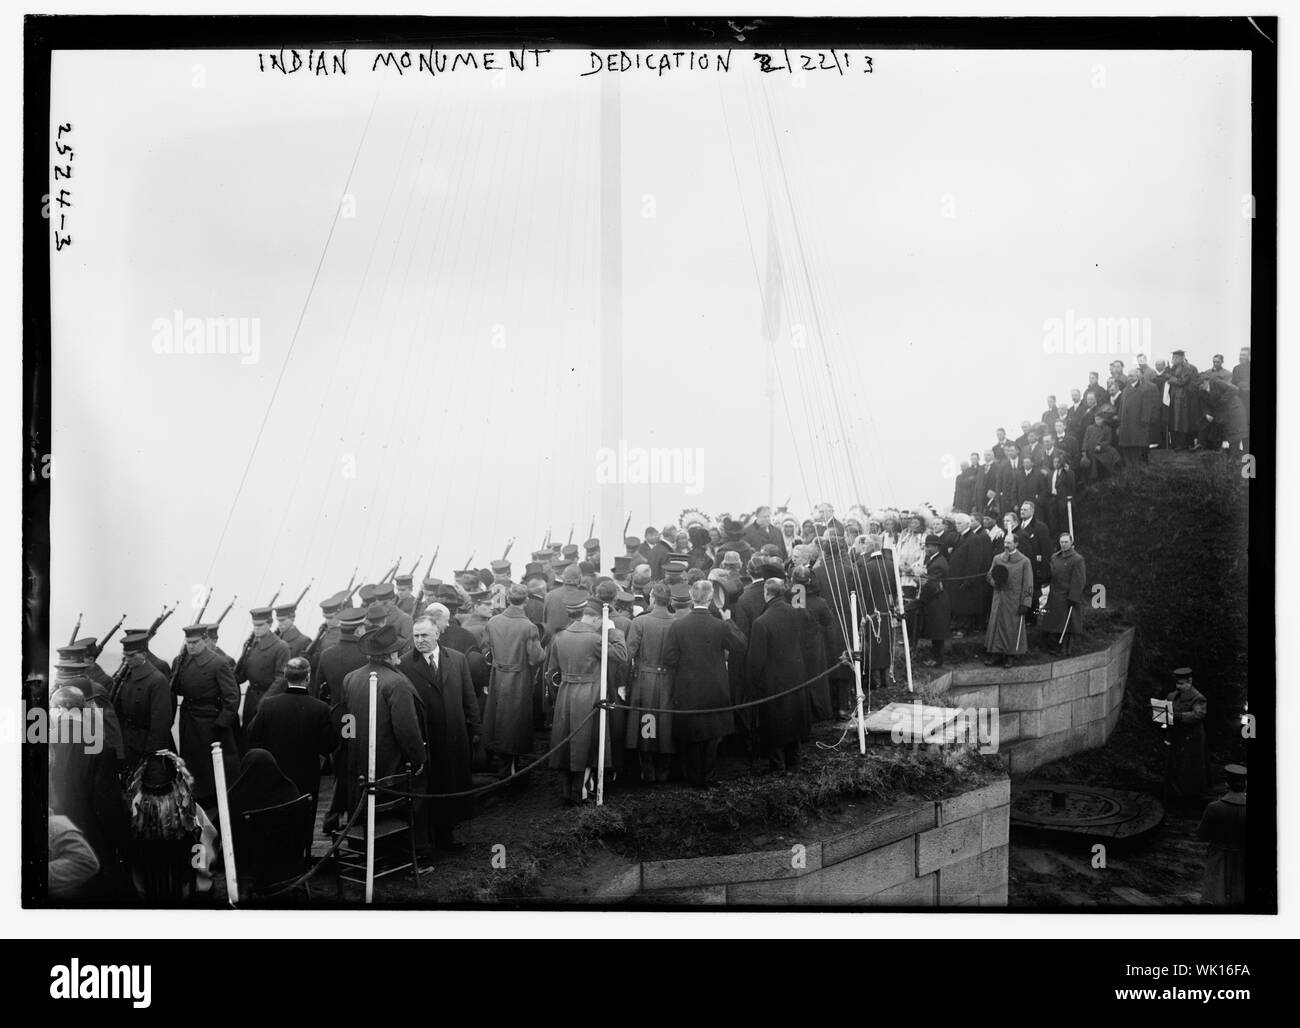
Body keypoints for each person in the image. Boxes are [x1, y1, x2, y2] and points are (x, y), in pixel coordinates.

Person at [399, 611, 481, 852]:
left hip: (454, 735)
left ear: (437, 633)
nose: (420, 640)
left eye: (424, 635)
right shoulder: (404, 663)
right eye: (416, 636)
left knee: (452, 784)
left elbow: (469, 696)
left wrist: (475, 728)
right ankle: (430, 839)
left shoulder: (456, 659)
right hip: (426, 737)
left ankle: (448, 835)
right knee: (430, 787)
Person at [334, 624, 427, 820]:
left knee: (362, 808)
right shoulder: (396, 683)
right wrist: (419, 758)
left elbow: (346, 719)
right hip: (388, 762)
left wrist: (349, 746)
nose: (400, 656)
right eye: (397, 651)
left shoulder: (351, 678)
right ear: (391, 654)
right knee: (390, 813)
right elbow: (406, 729)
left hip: (357, 757)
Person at [247, 656, 338, 857]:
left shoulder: (268, 705)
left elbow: (253, 740)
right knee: (304, 818)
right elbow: (329, 746)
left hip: (274, 775)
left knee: (276, 818)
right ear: (308, 677)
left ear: (286, 677)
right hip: (306, 776)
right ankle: (303, 855)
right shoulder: (321, 708)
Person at [665, 580, 746, 788]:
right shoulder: (720, 625)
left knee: (691, 734)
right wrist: (729, 621)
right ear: (710, 599)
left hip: (687, 688)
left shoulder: (677, 625)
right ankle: (708, 776)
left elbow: (670, 659)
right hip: (715, 687)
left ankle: (693, 778)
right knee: (712, 734)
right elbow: (740, 646)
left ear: (692, 598)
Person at [546, 599, 627, 805]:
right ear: (597, 618)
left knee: (566, 742)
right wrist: (613, 630)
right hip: (589, 694)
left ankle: (566, 789)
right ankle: (581, 791)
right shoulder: (595, 639)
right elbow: (621, 655)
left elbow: (552, 673)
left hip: (565, 692)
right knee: (588, 743)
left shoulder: (560, 636)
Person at [172, 622, 241, 809]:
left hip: (209, 720)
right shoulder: (182, 661)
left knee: (210, 766)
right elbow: (176, 689)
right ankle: (196, 797)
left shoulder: (218, 663)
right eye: (188, 642)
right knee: (192, 762)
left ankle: (213, 800)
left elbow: (232, 697)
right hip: (188, 717)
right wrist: (177, 666)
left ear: (204, 640)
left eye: (194, 642)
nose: (191, 646)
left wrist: (222, 723)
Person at [746, 578, 812, 773]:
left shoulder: (761, 622)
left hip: (772, 680)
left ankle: (778, 765)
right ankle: (794, 761)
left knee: (774, 722)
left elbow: (756, 659)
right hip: (796, 673)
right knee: (794, 717)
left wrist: (753, 681)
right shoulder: (796, 613)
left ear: (767, 593)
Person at [482, 586, 545, 776]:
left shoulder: (492, 622)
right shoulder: (529, 627)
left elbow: (486, 649)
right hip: (519, 678)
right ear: (526, 601)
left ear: (508, 600)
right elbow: (536, 658)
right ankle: (509, 769)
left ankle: (501, 765)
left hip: (497, 675)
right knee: (514, 723)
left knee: (497, 719)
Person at [624, 583, 677, 784]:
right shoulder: (677, 622)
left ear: (652, 598)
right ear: (670, 600)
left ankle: (648, 769)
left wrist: (624, 682)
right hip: (669, 679)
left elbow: (628, 655)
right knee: (666, 722)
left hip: (645, 680)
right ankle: (664, 769)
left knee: (647, 721)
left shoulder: (640, 622)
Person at [113, 630, 173, 772]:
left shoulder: (157, 680)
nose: (127, 659)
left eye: (132, 656)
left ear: (144, 655)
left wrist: (151, 754)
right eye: (125, 656)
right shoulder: (126, 677)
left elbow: (160, 723)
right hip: (127, 742)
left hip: (145, 744)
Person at [234, 607, 291, 752]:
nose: (257, 629)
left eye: (261, 625)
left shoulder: (281, 647)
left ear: (270, 624)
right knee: (249, 740)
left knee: (268, 742)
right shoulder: (250, 646)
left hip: (270, 700)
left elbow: (281, 678)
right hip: (251, 698)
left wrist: (264, 701)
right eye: (255, 625)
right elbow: (242, 675)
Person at [1196, 764, 1246, 906]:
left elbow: (1202, 835)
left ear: (1226, 784)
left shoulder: (1214, 807)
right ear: (1245, 784)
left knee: (1214, 899)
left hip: (1219, 858)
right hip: (1244, 858)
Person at [791, 565, 834, 721]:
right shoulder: (820, 602)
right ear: (809, 580)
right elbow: (828, 621)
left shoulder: (790, 600)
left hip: (796, 645)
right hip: (815, 645)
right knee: (817, 680)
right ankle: (820, 712)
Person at [984, 534, 1033, 667]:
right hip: (999, 598)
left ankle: (1010, 656)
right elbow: (989, 575)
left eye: (1009, 543)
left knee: (1011, 626)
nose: (1006, 545)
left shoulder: (1024, 561)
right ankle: (995, 653)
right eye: (1005, 542)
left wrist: (1025, 603)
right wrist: (995, 582)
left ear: (1016, 544)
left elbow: (1028, 584)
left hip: (1014, 600)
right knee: (995, 624)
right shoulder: (997, 558)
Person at [1163, 667, 1208, 802]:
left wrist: (1178, 716)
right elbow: (1166, 710)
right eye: (1177, 683)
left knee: (1189, 766)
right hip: (1176, 735)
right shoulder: (1172, 696)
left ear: (1190, 682)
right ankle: (1174, 793)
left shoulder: (1198, 698)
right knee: (1174, 764)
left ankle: (1190, 796)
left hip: (1191, 738)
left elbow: (1198, 715)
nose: (1179, 686)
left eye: (1182, 684)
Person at [1039, 534, 1086, 654]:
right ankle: (1051, 646)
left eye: (1066, 542)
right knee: (1052, 622)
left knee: (1066, 624)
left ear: (1071, 543)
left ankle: (1064, 649)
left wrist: (1073, 597)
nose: (1063, 544)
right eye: (1061, 542)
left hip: (1067, 597)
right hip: (1054, 595)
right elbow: (1051, 574)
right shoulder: (1055, 557)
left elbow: (1079, 580)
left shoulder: (1077, 559)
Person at [948, 513, 991, 637]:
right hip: (956, 577)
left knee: (965, 604)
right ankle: (956, 626)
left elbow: (974, 561)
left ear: (968, 524)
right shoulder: (958, 537)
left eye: (960, 523)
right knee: (957, 603)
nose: (957, 525)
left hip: (966, 578)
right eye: (956, 523)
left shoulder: (974, 539)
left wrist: (968, 580)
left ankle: (964, 628)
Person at [912, 535, 951, 668]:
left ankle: (937, 660)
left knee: (937, 632)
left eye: (928, 546)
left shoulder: (938, 563)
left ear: (936, 547)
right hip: (937, 600)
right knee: (936, 631)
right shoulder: (936, 560)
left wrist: (920, 592)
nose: (926, 549)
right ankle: (935, 658)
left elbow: (931, 585)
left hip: (937, 601)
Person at [1157, 350, 1201, 450]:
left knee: (1182, 422)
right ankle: (1177, 444)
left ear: (1182, 358)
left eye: (1175, 358)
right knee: (1175, 421)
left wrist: (1170, 377)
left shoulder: (1188, 368)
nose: (1173, 360)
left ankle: (1183, 444)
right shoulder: (1174, 367)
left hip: (1184, 399)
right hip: (1175, 398)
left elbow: (1181, 381)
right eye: (1173, 358)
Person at [1198, 375, 1249, 459]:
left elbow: (1234, 389)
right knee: (1223, 432)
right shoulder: (1202, 391)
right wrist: (1207, 413)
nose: (1200, 387)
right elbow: (1205, 405)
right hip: (1222, 413)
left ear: (1205, 381)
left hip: (1234, 409)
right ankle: (1226, 455)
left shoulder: (1217, 383)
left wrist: (1222, 400)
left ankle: (1234, 458)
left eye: (1201, 385)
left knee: (1235, 433)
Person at [1116, 371, 1159, 465]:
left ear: (1137, 376)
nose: (1129, 378)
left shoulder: (1144, 389)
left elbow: (1146, 407)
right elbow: (1121, 406)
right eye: (1128, 376)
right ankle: (1129, 467)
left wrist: (1144, 420)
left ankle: (1136, 468)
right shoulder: (1125, 390)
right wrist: (1119, 418)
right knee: (1126, 446)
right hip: (1125, 423)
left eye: (1131, 375)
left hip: (1137, 423)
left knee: (1136, 446)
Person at [1079, 411, 1120, 484]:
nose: (1097, 421)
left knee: (1099, 458)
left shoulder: (1107, 429)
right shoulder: (1089, 428)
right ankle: (1086, 480)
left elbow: (1108, 441)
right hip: (1089, 449)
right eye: (1096, 419)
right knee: (1086, 462)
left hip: (1100, 450)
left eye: (1099, 419)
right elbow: (1085, 439)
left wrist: (1100, 445)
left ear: (1103, 419)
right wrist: (1084, 450)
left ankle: (1095, 478)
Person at [1044, 452, 1076, 540]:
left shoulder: (1068, 473)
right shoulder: (1051, 473)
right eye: (1054, 462)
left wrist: (1067, 470)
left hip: (1063, 501)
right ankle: (1056, 543)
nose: (1056, 464)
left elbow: (1071, 485)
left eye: (1058, 462)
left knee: (1064, 524)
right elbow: (1048, 487)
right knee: (1053, 524)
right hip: (1053, 501)